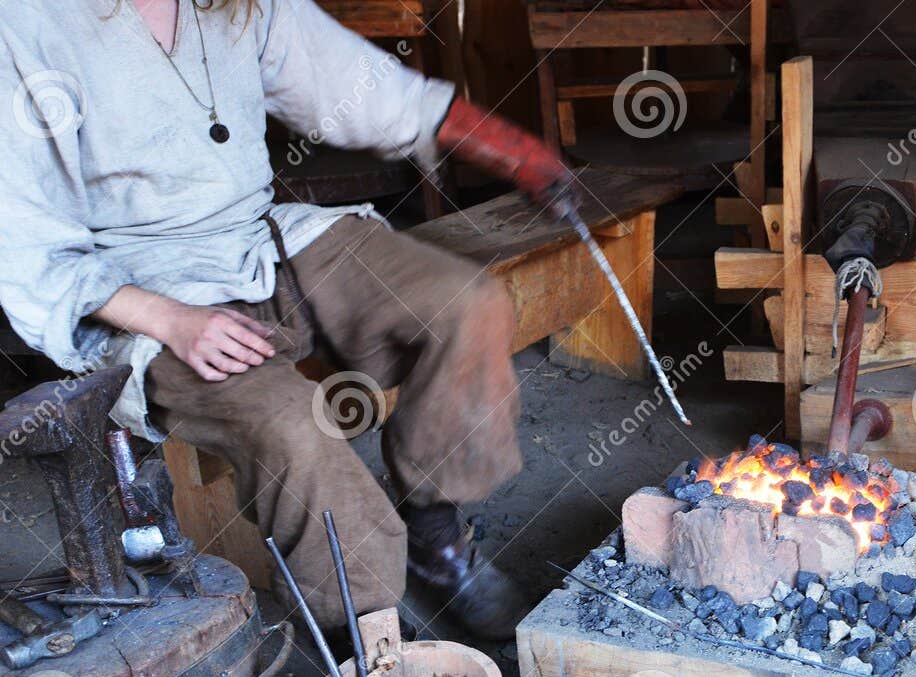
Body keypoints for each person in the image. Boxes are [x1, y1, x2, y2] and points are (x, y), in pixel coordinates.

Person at [0, 0, 573, 639]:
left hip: (260, 237)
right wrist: (172, 320)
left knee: (467, 305)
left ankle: (434, 539)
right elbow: (24, 242)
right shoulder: (25, 24)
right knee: (294, 424)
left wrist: (505, 145)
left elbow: (351, 81)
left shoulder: (236, 3)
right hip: (136, 289)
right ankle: (363, 631)